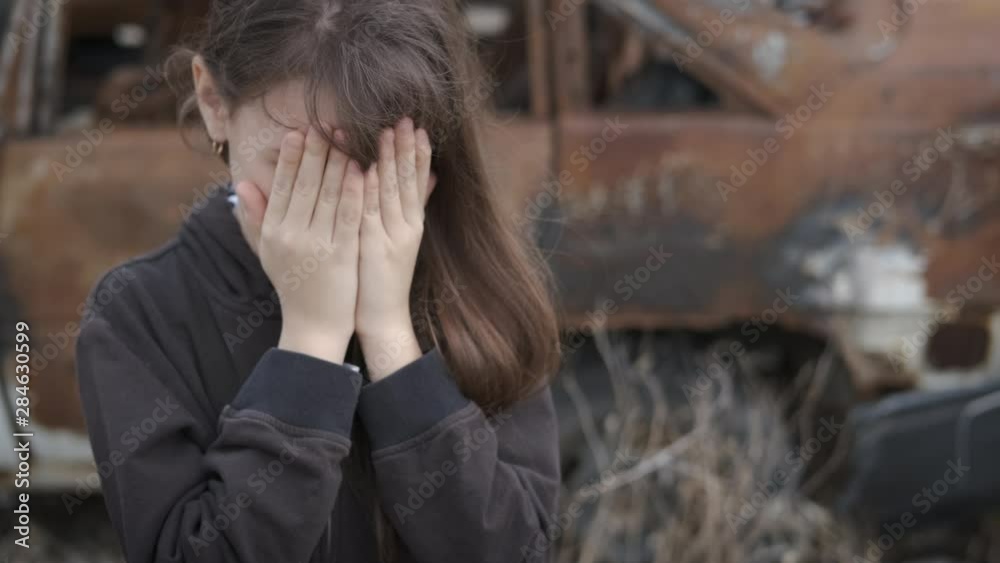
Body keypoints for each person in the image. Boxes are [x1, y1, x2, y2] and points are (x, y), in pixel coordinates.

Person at [74, 1, 561, 561]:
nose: (335, 212)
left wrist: (389, 338)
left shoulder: (481, 285)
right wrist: (310, 345)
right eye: (297, 175)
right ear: (213, 104)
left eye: (370, 170)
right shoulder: (139, 316)